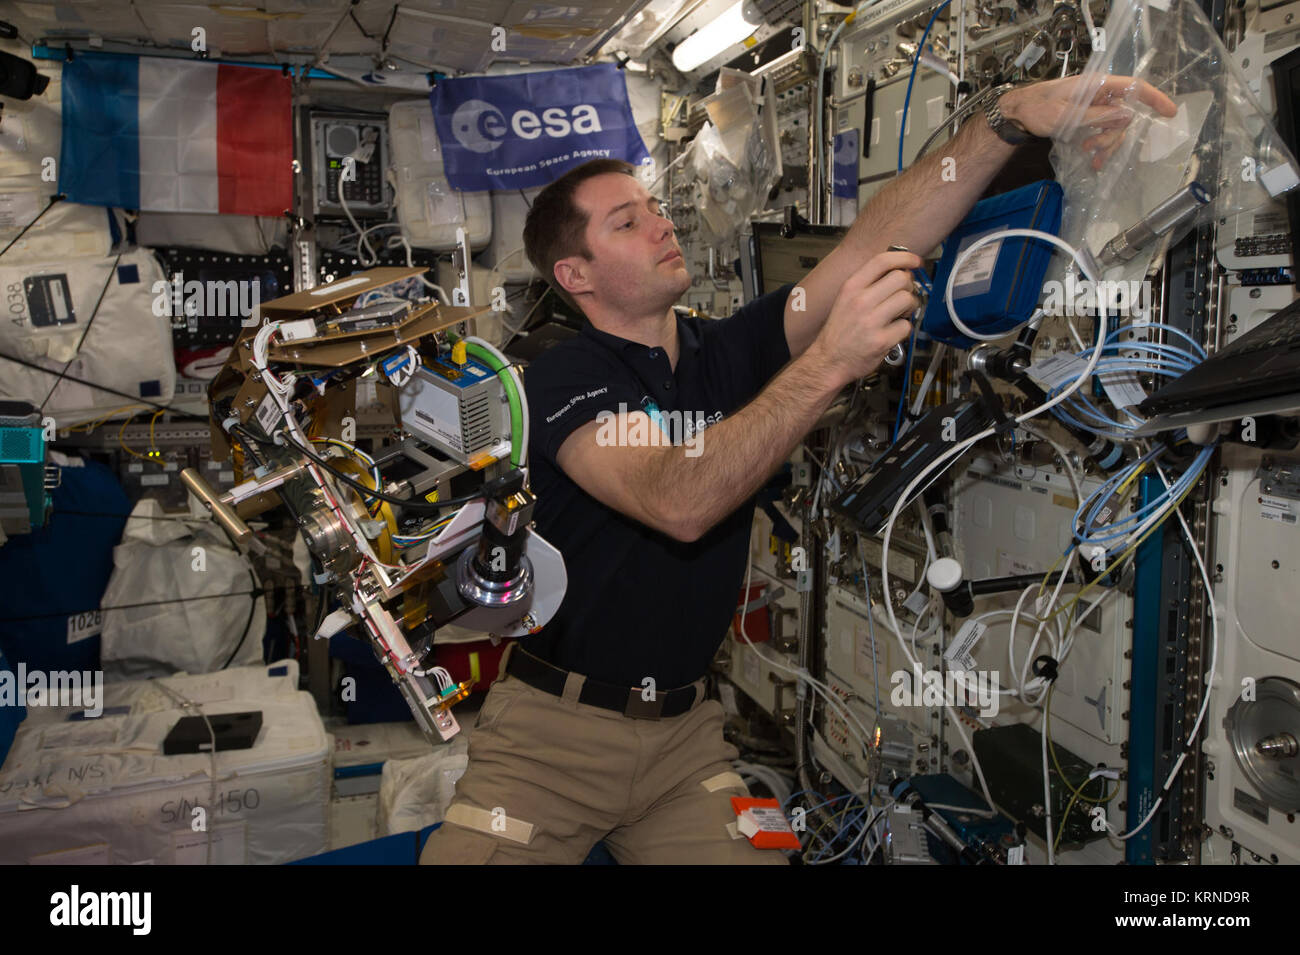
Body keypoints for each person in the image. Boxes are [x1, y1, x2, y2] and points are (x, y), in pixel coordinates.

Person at [420, 74, 1176, 864]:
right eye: (626, 222)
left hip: (682, 737)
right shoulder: (561, 375)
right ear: (575, 275)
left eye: (654, 208)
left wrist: (1005, 120)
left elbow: (872, 247)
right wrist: (829, 365)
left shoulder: (727, 351)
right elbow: (678, 499)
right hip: (553, 739)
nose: (660, 224)